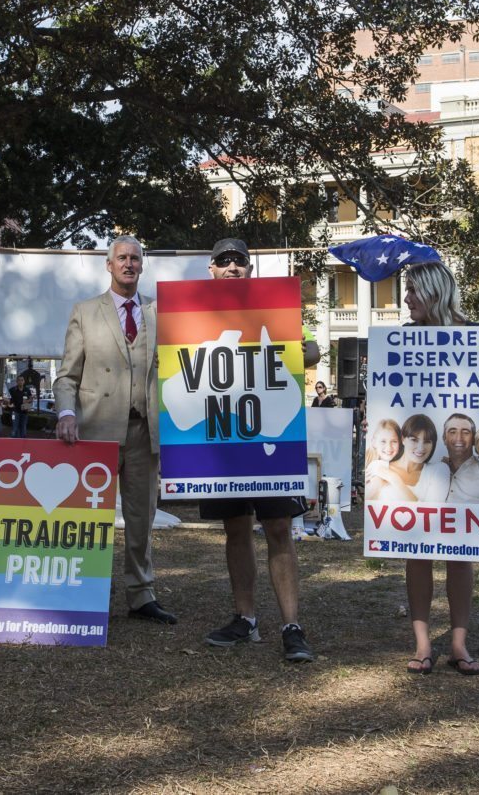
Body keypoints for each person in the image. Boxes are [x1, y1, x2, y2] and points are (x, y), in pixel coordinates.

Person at [197, 237, 316, 662]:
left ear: (250, 270)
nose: (232, 267)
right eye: (224, 261)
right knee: (235, 529)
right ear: (210, 269)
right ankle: (245, 619)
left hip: (271, 436)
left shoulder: (272, 307)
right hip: (223, 437)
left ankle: (291, 626)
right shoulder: (191, 312)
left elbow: (313, 348)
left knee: (279, 527)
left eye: (240, 262)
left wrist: (307, 350)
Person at [54, 236, 176, 625]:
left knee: (142, 518)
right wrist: (66, 414)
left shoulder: (161, 314)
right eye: (121, 257)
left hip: (145, 433)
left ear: (142, 266)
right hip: (94, 432)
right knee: (89, 520)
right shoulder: (85, 312)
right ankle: (81, 593)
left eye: (135, 258)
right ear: (108, 265)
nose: (128, 264)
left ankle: (142, 595)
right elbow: (66, 376)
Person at [398, 260, 479, 677]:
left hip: (465, 467)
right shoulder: (403, 339)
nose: (406, 299)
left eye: (413, 291)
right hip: (425, 469)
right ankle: (423, 644)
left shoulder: (478, 336)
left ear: (435, 291)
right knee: (417, 551)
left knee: (461, 553)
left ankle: (458, 642)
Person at [368, 413, 439, 503]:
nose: (421, 448)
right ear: (403, 439)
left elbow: (429, 512)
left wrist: (394, 478)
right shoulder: (379, 467)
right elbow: (367, 503)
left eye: (427, 441)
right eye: (414, 440)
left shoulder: (435, 472)